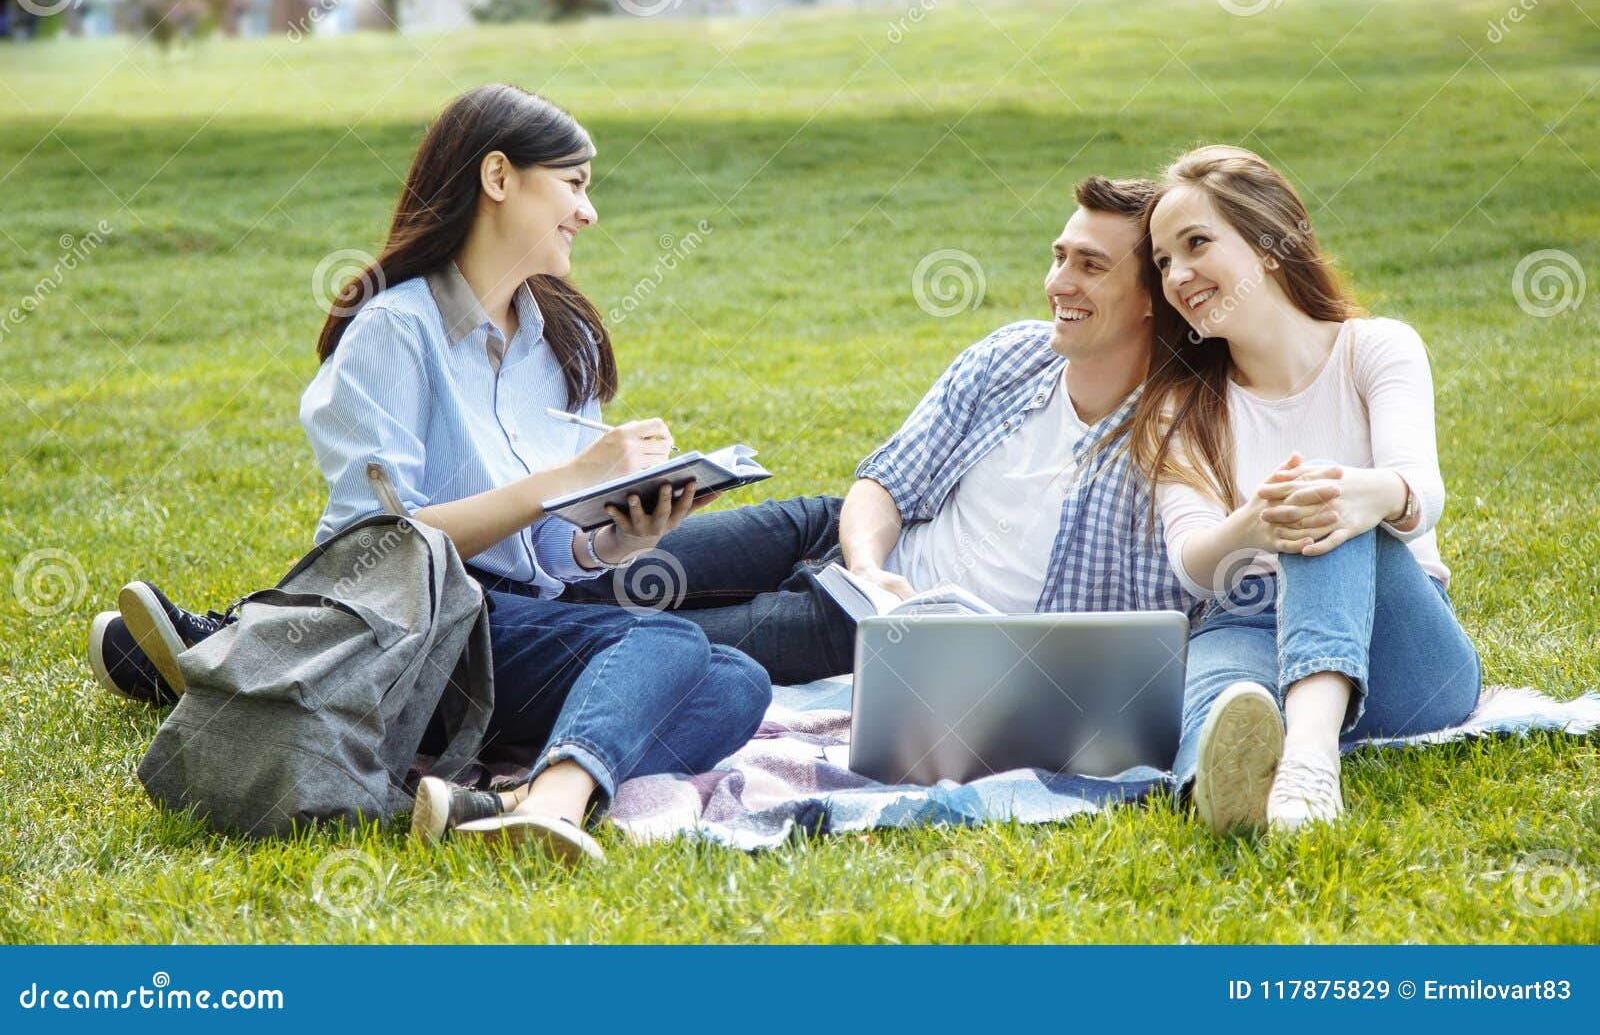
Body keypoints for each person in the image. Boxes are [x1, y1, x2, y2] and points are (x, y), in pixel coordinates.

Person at [86, 84, 771, 863]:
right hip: (415, 630)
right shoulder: (393, 328)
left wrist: (612, 537)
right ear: (500, 177)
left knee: (738, 681)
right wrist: (565, 476)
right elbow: (373, 545)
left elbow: (539, 551)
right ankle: (549, 804)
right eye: (575, 185)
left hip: (503, 627)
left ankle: (510, 797)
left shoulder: (551, 340)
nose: (589, 213)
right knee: (667, 643)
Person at [566, 175, 1196, 681]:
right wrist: (866, 565)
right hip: (838, 533)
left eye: (1091, 266)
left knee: (617, 646)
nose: (1058, 282)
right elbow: (889, 479)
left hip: (886, 630)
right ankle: (473, 594)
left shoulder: (1175, 435)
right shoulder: (1013, 354)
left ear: (1152, 297)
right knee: (596, 576)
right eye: (1059, 256)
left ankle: (481, 669)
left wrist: (879, 598)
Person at [1131, 144, 1481, 834]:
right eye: (1164, 260)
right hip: (1249, 621)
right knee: (1219, 697)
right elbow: (1193, 561)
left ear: (1268, 241)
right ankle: (1221, 788)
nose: (1178, 274)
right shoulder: (1178, 405)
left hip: (1402, 645)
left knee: (1323, 501)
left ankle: (1310, 758)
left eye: (1196, 243)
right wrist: (1252, 524)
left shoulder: (1375, 348)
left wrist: (1363, 495)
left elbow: (1421, 497)